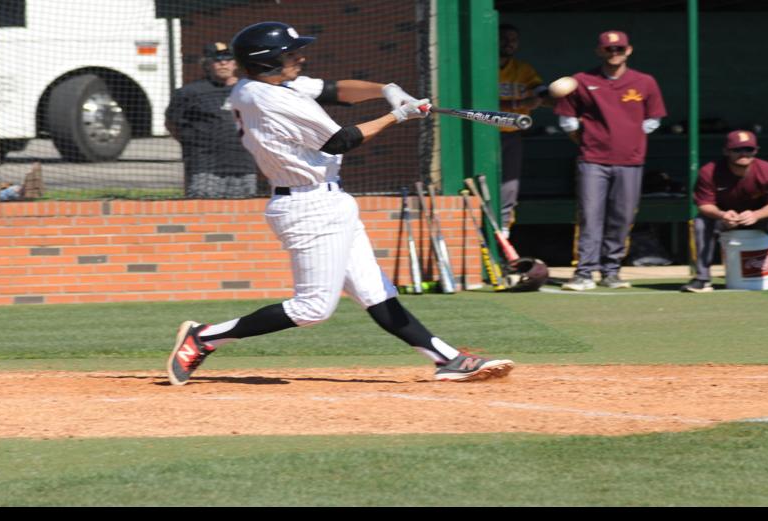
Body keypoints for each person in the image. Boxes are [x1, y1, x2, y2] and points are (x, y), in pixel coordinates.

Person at [165, 21, 513, 386]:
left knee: (376, 292)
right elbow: (340, 141)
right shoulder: (269, 98)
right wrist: (398, 116)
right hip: (306, 207)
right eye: (290, 54)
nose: (299, 58)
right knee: (312, 309)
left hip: (330, 201)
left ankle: (449, 359)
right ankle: (205, 337)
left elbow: (335, 91)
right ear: (266, 62)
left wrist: (387, 90)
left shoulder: (269, 84)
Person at [553, 29, 666, 291]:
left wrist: (629, 138)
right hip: (593, 159)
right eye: (608, 49)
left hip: (631, 160)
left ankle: (611, 271)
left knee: (622, 217)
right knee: (590, 215)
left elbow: (653, 120)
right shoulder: (582, 80)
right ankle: (584, 272)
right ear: (599, 51)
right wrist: (591, 140)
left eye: (619, 49)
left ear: (628, 50)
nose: (614, 53)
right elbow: (567, 120)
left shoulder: (645, 81)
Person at [683, 130, 768, 293]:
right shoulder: (709, 171)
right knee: (699, 223)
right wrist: (722, 215)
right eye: (737, 150)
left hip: (761, 216)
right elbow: (704, 205)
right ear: (726, 151)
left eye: (749, 149)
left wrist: (756, 215)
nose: (744, 154)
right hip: (725, 217)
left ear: (756, 151)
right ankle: (701, 278)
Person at [166, 41, 260, 198]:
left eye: (228, 58)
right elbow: (172, 123)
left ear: (235, 63)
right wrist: (194, 142)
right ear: (206, 64)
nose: (223, 63)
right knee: (203, 208)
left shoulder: (250, 90)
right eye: (217, 59)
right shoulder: (190, 92)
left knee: (244, 210)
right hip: (204, 167)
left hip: (244, 166)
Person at [496, 24, 555, 228]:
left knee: (510, 185)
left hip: (512, 134)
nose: (509, 43)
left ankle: (504, 228)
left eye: (513, 39)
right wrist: (519, 104)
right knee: (484, 181)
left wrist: (550, 98)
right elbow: (481, 104)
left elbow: (540, 92)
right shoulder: (483, 66)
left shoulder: (523, 69)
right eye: (504, 38)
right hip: (485, 134)